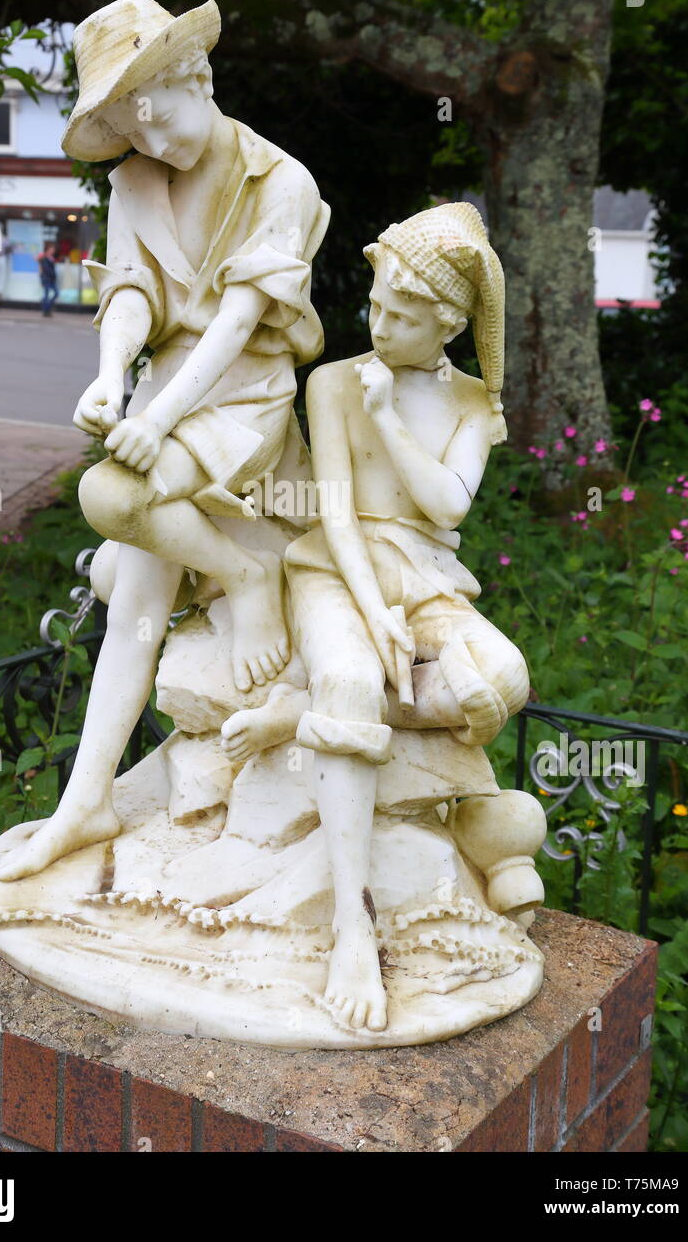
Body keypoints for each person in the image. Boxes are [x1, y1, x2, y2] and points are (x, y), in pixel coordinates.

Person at [0, 0, 328, 883]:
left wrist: (158, 418)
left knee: (110, 498)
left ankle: (246, 573)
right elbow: (131, 292)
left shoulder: (279, 181)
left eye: (161, 122)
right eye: (131, 133)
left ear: (198, 77)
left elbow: (241, 320)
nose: (154, 146)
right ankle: (85, 800)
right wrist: (112, 378)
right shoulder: (135, 178)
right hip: (160, 395)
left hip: (240, 398)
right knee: (134, 607)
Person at [221, 203, 528, 1032]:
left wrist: (390, 416)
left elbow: (445, 503)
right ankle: (353, 931)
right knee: (355, 680)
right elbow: (340, 516)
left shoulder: (471, 405)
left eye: (403, 316)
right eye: (376, 306)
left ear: (451, 325)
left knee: (502, 680)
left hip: (427, 575)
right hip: (338, 567)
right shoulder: (331, 382)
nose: (380, 324)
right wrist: (370, 615)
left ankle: (297, 713)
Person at [38, 242, 58, 316]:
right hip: (46, 279)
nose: (53, 251)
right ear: (48, 250)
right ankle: (46, 310)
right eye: (51, 249)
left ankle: (48, 307)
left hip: (52, 279)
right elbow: (46, 269)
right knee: (46, 295)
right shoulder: (44, 257)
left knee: (56, 293)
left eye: (53, 249)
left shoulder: (51, 258)